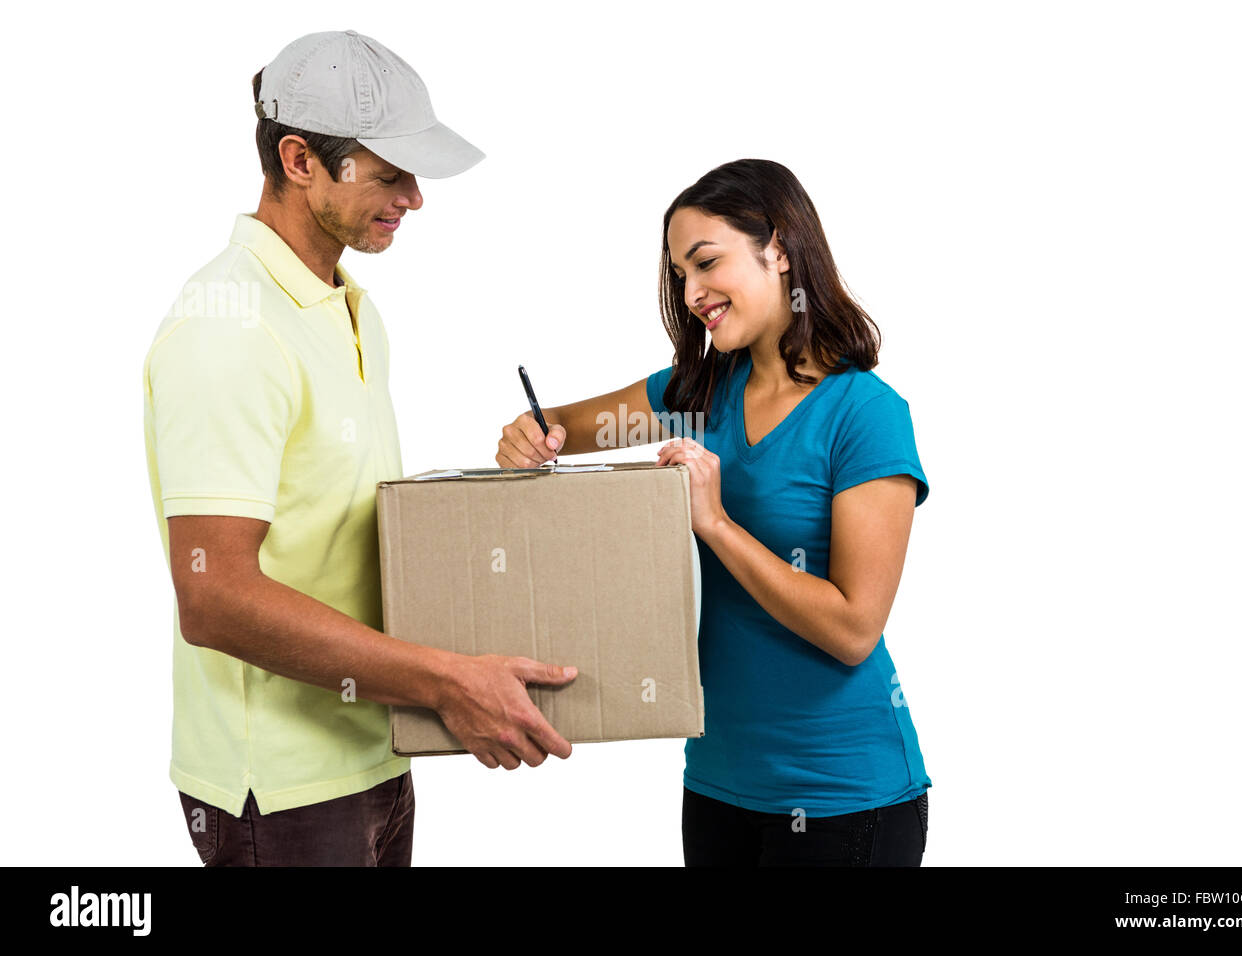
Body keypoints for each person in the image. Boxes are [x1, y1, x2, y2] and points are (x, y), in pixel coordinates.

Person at [142, 30, 578, 867]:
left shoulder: (348, 306)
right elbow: (215, 597)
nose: (414, 197)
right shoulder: (225, 328)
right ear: (300, 160)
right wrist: (447, 681)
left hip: (373, 747)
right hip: (279, 788)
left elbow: (341, 527)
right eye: (388, 173)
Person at [497, 159, 932, 866]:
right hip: (718, 786)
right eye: (679, 275)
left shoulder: (866, 415)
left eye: (707, 263)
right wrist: (531, 434)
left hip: (844, 802)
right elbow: (564, 430)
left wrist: (718, 524)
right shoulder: (696, 392)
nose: (693, 293)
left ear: (782, 249)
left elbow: (854, 628)